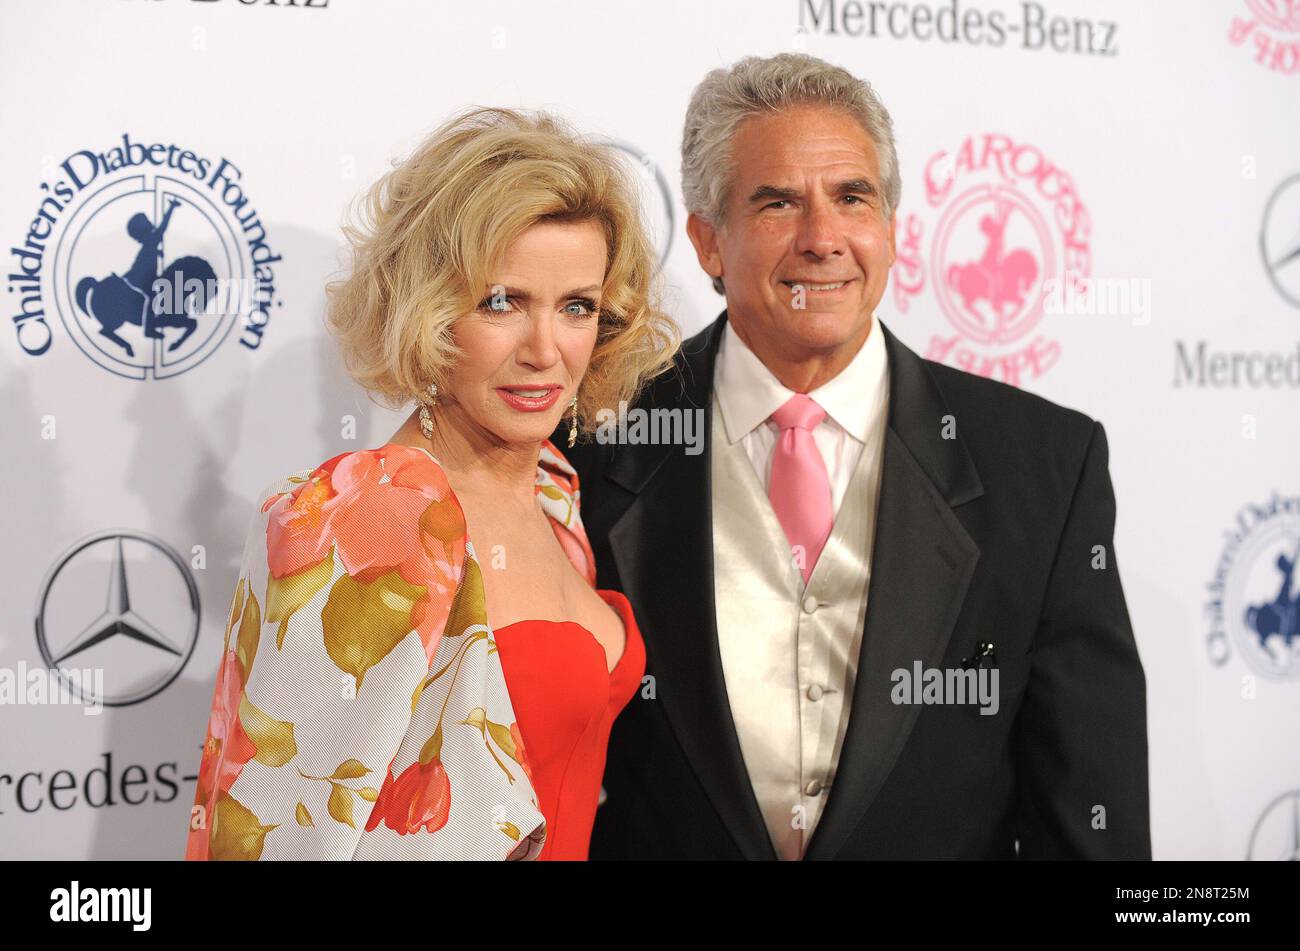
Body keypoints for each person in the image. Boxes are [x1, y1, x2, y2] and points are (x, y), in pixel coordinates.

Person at [562, 53, 1152, 860]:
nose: (823, 238)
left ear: (892, 228)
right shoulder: (595, 440)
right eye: (777, 202)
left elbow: (1091, 818)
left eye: (852, 198)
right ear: (707, 241)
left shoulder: (1044, 465)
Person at [184, 107, 678, 860]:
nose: (545, 349)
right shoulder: (380, 510)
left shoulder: (556, 492)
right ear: (430, 309)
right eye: (501, 302)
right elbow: (273, 830)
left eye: (576, 306)